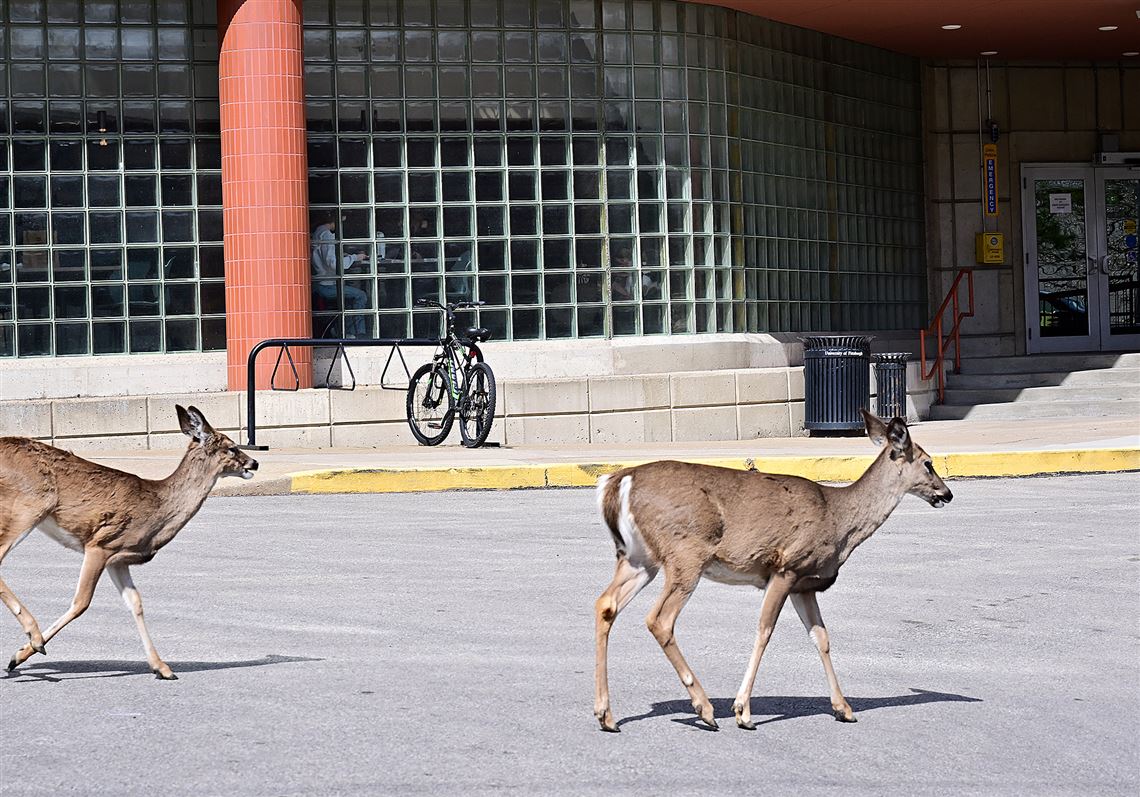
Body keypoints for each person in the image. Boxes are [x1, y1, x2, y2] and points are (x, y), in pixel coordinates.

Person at [311, 215, 369, 338]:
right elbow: (333, 263)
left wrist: (343, 255)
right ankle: (353, 333)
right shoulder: (326, 235)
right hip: (326, 285)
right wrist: (354, 257)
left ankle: (338, 329)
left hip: (319, 283)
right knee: (360, 295)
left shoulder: (317, 233)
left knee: (349, 296)